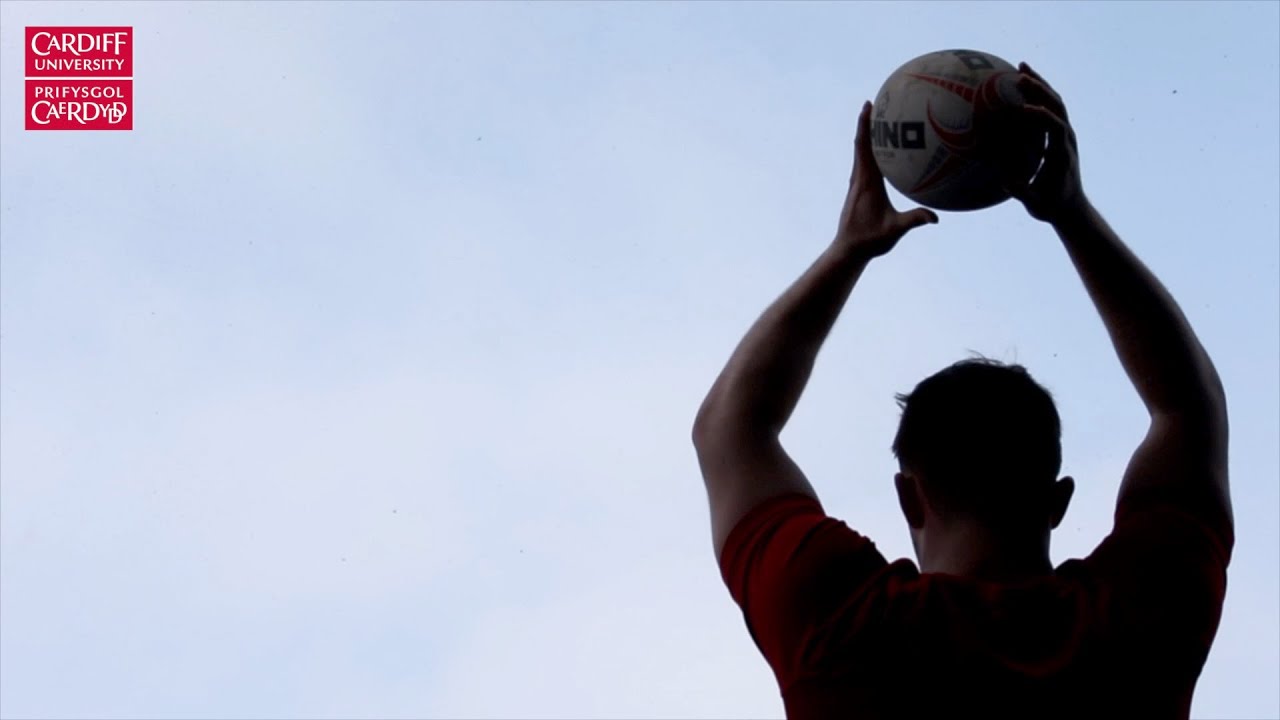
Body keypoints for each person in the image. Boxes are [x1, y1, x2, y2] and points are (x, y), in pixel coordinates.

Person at [691, 64, 1233, 719]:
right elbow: (1187, 407)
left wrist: (848, 251)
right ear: (1057, 500)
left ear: (908, 495)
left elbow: (730, 429)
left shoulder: (837, 621)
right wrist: (1073, 215)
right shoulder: (1143, 618)